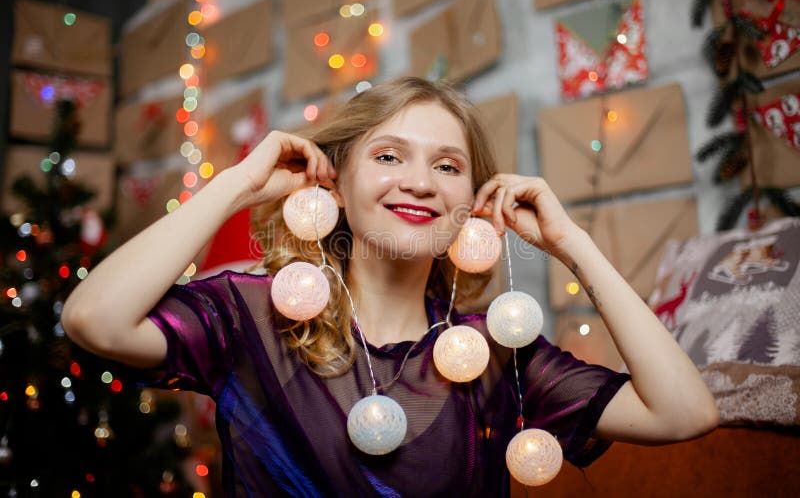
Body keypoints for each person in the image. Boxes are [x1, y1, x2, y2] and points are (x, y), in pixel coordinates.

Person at [62, 77, 718, 496]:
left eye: (448, 166)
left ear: (473, 203)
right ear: (336, 187)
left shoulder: (493, 355)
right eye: (388, 156)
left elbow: (685, 413)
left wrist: (572, 244)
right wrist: (236, 185)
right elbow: (95, 318)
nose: (421, 182)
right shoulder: (257, 314)